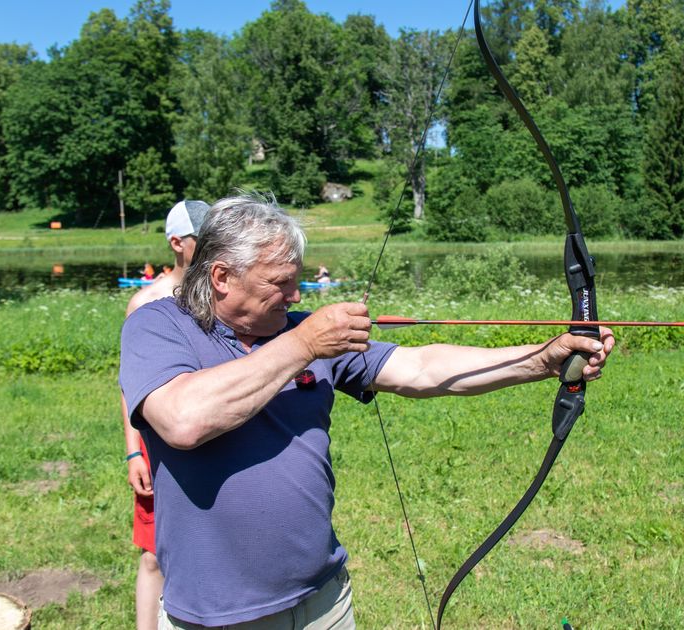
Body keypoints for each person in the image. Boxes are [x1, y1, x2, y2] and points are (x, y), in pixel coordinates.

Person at [118, 192, 614, 629]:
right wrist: (304, 344)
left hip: (324, 601)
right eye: (281, 283)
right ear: (223, 277)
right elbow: (183, 420)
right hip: (216, 615)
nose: (295, 295)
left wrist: (542, 359)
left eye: (298, 281)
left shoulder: (299, 332)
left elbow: (420, 368)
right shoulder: (160, 325)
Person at [121, 199, 210, 630]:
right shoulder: (147, 302)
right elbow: (129, 388)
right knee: (155, 552)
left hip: (202, 433)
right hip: (154, 441)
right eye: (204, 238)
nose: (216, 245)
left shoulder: (217, 294)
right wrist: (133, 453)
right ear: (177, 243)